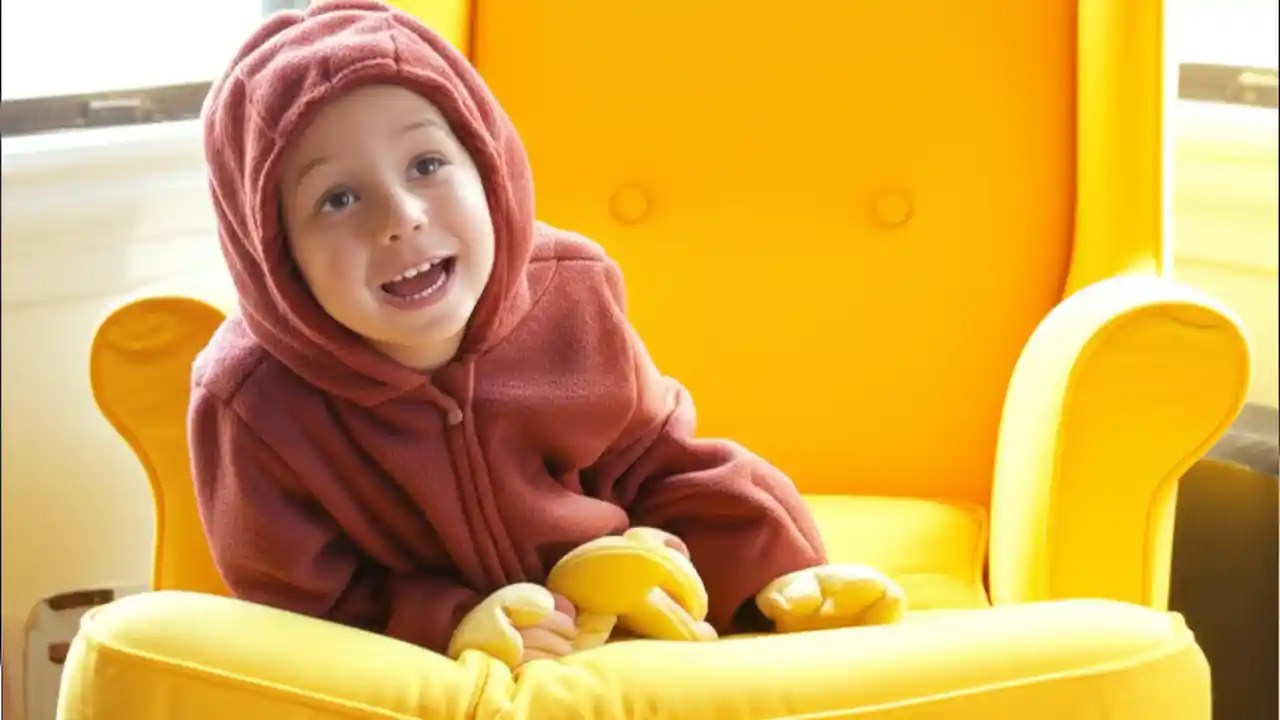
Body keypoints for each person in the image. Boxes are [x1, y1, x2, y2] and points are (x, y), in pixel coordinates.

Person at [191, 0, 902, 668]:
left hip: (614, 624)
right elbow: (297, 615)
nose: (399, 215)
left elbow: (657, 456)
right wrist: (453, 626)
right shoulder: (253, 407)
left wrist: (777, 571)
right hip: (432, 681)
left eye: (428, 164)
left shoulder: (570, 287)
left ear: (488, 168)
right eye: (337, 198)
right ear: (275, 254)